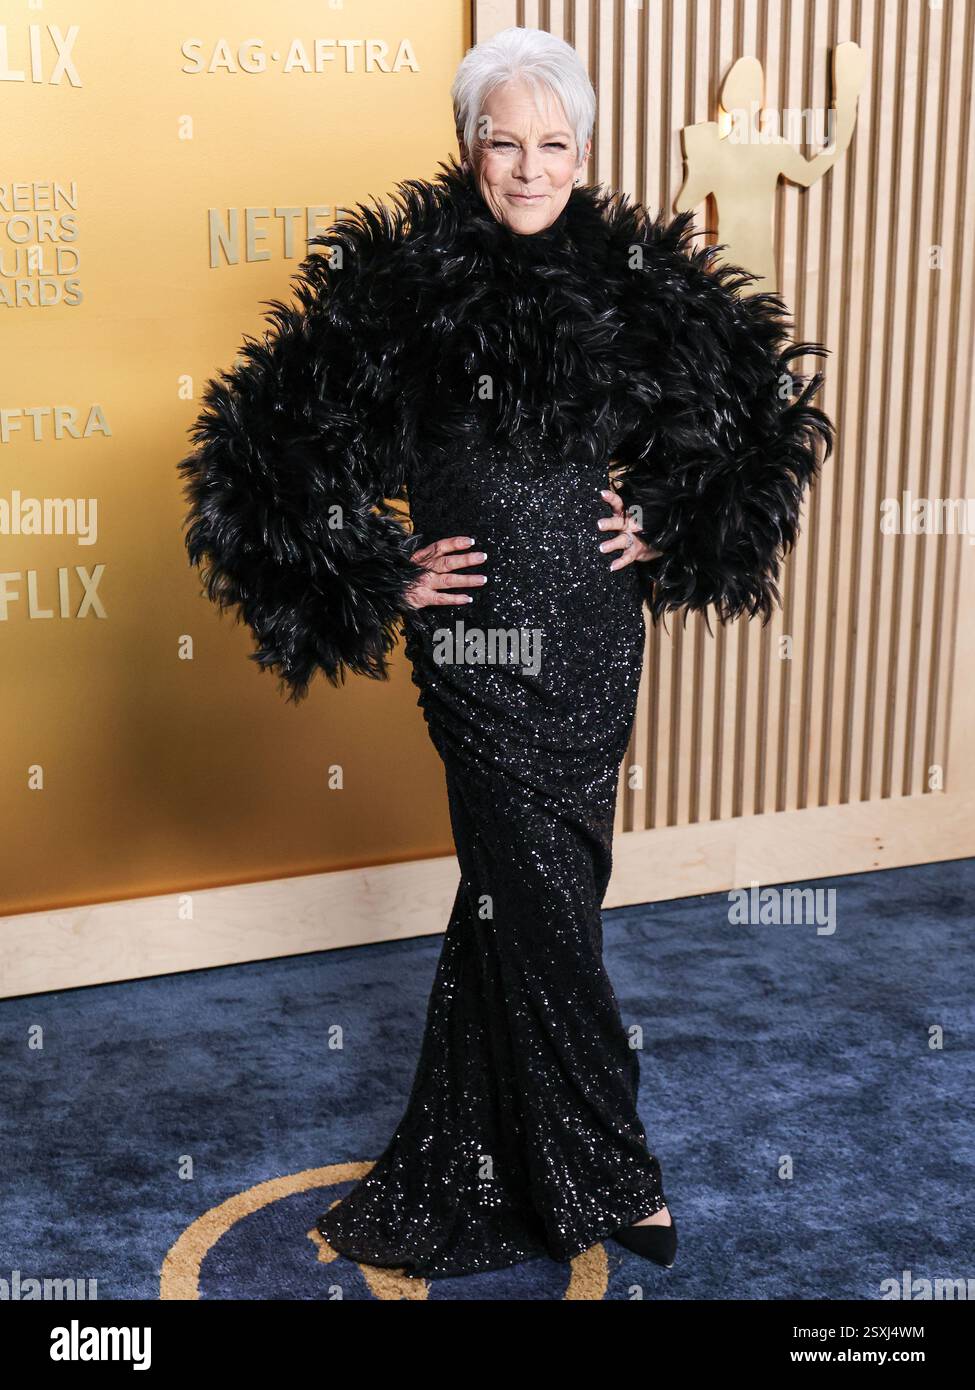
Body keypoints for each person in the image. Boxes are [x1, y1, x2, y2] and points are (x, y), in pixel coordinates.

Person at [178, 26, 834, 1280]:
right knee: (530, 888)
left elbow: (761, 419)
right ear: (468, 146)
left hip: (593, 637)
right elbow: (259, 451)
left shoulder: (643, 279)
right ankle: (615, 1167)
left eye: (554, 144)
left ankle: (489, 1146)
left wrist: (666, 519)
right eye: (504, 142)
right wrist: (378, 568)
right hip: (474, 642)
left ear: (583, 154)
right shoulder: (398, 287)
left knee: (537, 894)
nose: (528, 168)